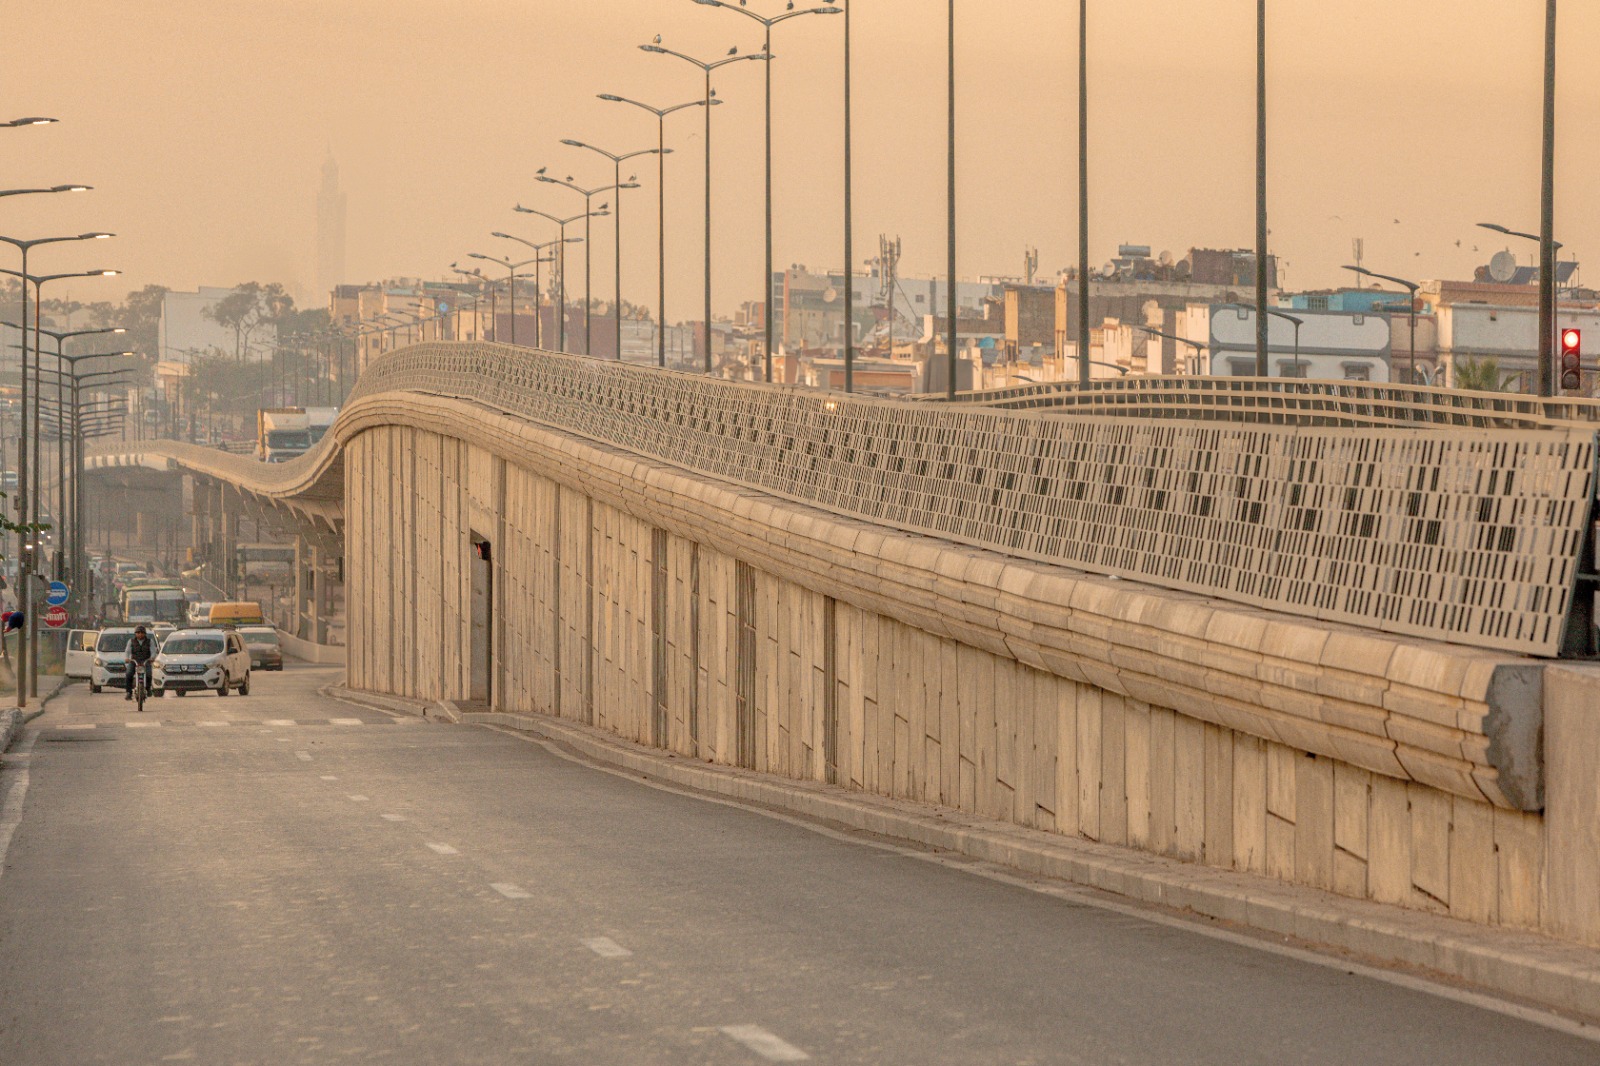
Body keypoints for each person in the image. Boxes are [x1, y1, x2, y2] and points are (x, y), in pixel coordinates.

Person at [124, 625, 155, 704]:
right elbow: (127, 651)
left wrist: (152, 658)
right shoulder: (131, 641)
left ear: (145, 633)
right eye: (138, 632)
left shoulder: (150, 641)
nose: (140, 634)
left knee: (149, 674)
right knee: (128, 673)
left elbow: (153, 651)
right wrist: (127, 658)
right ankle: (129, 692)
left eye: (142, 632)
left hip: (146, 661)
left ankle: (148, 689)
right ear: (135, 634)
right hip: (134, 661)